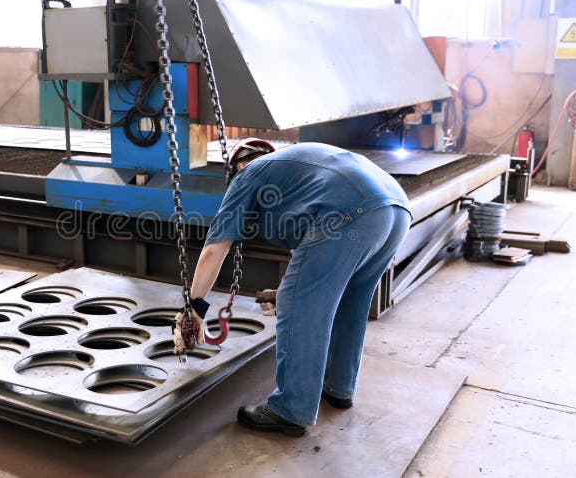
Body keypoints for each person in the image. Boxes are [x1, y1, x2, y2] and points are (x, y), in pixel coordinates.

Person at [174, 138, 412, 437]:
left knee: (298, 304)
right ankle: (339, 388)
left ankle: (290, 410)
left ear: (237, 167)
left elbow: (214, 250)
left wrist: (194, 308)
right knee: (350, 305)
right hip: (396, 209)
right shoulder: (294, 169)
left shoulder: (248, 174)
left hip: (352, 213)